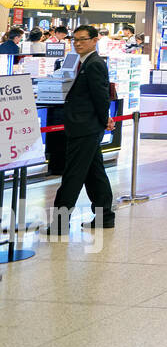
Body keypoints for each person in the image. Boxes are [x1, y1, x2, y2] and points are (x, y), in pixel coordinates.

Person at [50, 25, 117, 231]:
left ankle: (60, 222)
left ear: (95, 40)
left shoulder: (94, 63)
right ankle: (104, 215)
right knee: (94, 173)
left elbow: (100, 96)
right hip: (85, 126)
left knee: (73, 174)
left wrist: (105, 118)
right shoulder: (82, 62)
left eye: (83, 40)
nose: (78, 43)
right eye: (75, 40)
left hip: (85, 127)